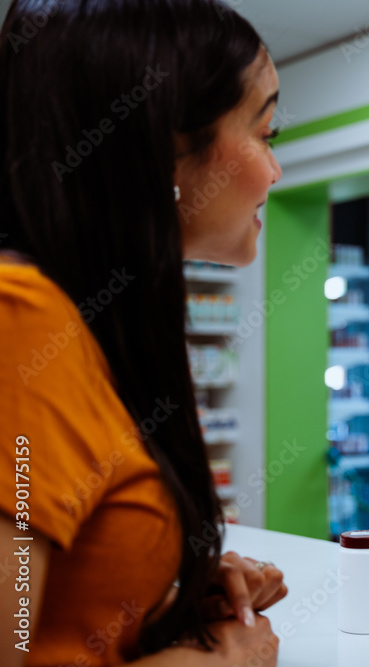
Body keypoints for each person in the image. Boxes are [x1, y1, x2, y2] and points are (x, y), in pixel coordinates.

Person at [0, 1, 285, 665]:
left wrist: (157, 601)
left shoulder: (91, 323)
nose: (274, 172)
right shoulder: (20, 319)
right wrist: (215, 662)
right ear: (163, 147)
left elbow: (45, 618)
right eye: (267, 132)